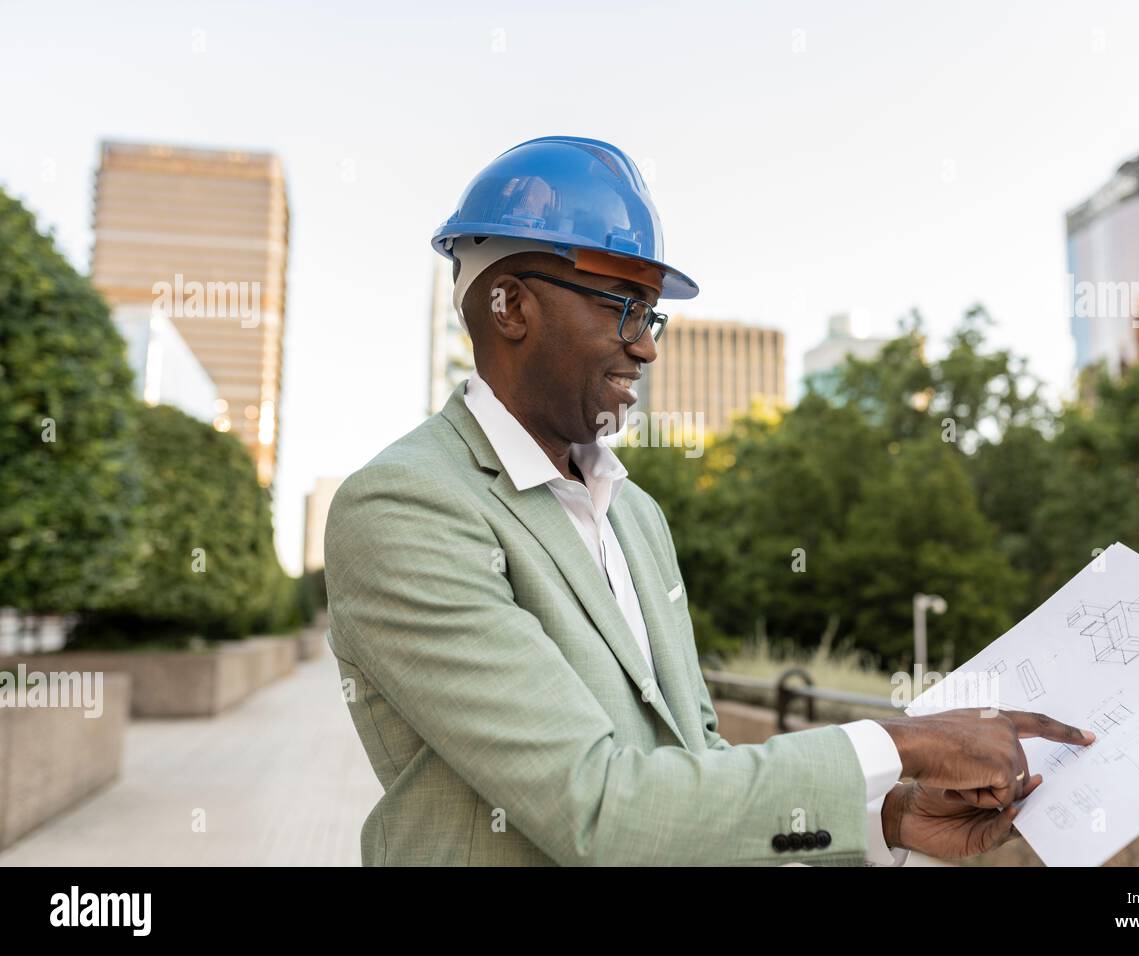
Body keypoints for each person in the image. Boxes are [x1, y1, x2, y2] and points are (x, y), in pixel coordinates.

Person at [324, 136, 1096, 865]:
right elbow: (595, 806)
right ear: (511, 307)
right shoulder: (406, 508)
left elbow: (695, 768)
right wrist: (898, 745)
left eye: (652, 312)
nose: (647, 345)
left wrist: (883, 818)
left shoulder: (635, 515)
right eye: (620, 304)